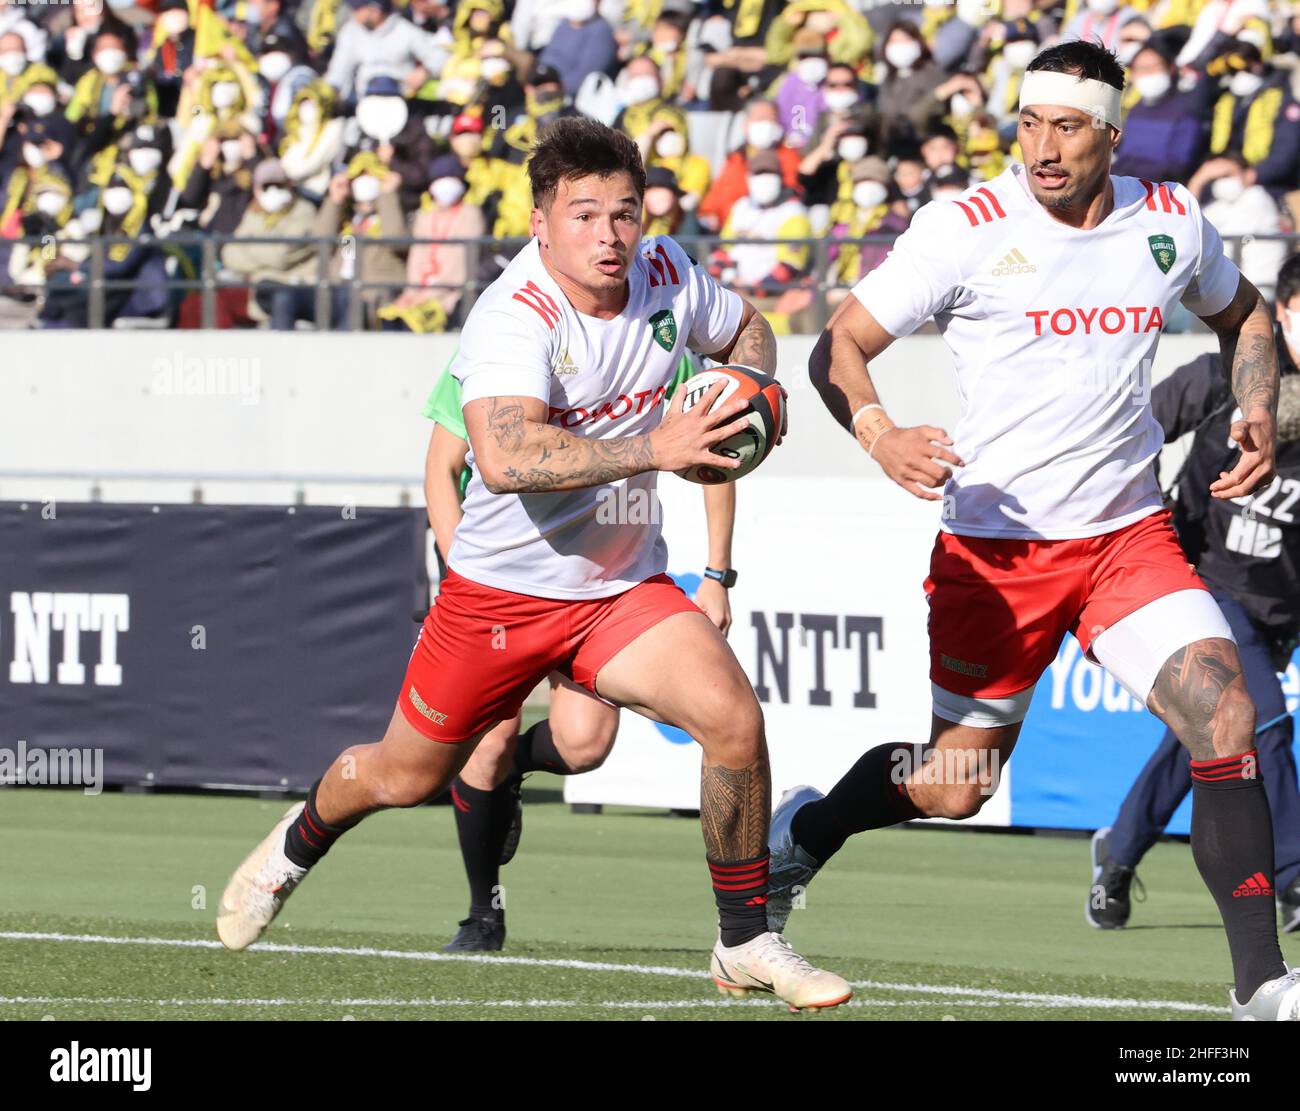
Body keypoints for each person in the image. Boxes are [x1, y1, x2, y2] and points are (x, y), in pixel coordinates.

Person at [216, 116, 851, 1012]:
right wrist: (656, 446)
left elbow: (747, 327)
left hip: (619, 589)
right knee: (407, 775)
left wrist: (756, 393)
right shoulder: (514, 316)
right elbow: (508, 458)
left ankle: (744, 939)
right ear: (540, 222)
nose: (609, 235)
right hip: (498, 596)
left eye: (624, 213)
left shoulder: (666, 271)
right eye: (584, 214)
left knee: (734, 721)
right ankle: (298, 840)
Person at [768, 39, 1298, 1021]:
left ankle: (1259, 985)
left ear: (1111, 132)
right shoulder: (962, 226)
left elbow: (1247, 318)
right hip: (996, 553)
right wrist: (879, 433)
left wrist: (1257, 401)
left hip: (1125, 542)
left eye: (1064, 126)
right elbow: (839, 342)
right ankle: (808, 826)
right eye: (1025, 123)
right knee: (952, 786)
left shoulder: (1169, 219)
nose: (1040, 148)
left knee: (1225, 722)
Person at [423, 347, 739, 951]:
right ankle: (482, 914)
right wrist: (460, 574)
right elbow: (441, 469)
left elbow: (712, 460)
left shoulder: (661, 344)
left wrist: (717, 575)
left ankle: (513, 770)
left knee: (584, 746)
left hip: (599, 584)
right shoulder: (500, 342)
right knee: (481, 747)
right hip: (500, 583)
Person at [1089, 254, 1300, 935]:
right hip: (1198, 582)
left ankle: (1117, 852)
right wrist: (1136, 530)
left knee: (1209, 734)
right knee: (1266, 722)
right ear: (1285, 309)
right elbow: (1128, 435)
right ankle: (1295, 880)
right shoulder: (1220, 379)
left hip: (1278, 608)